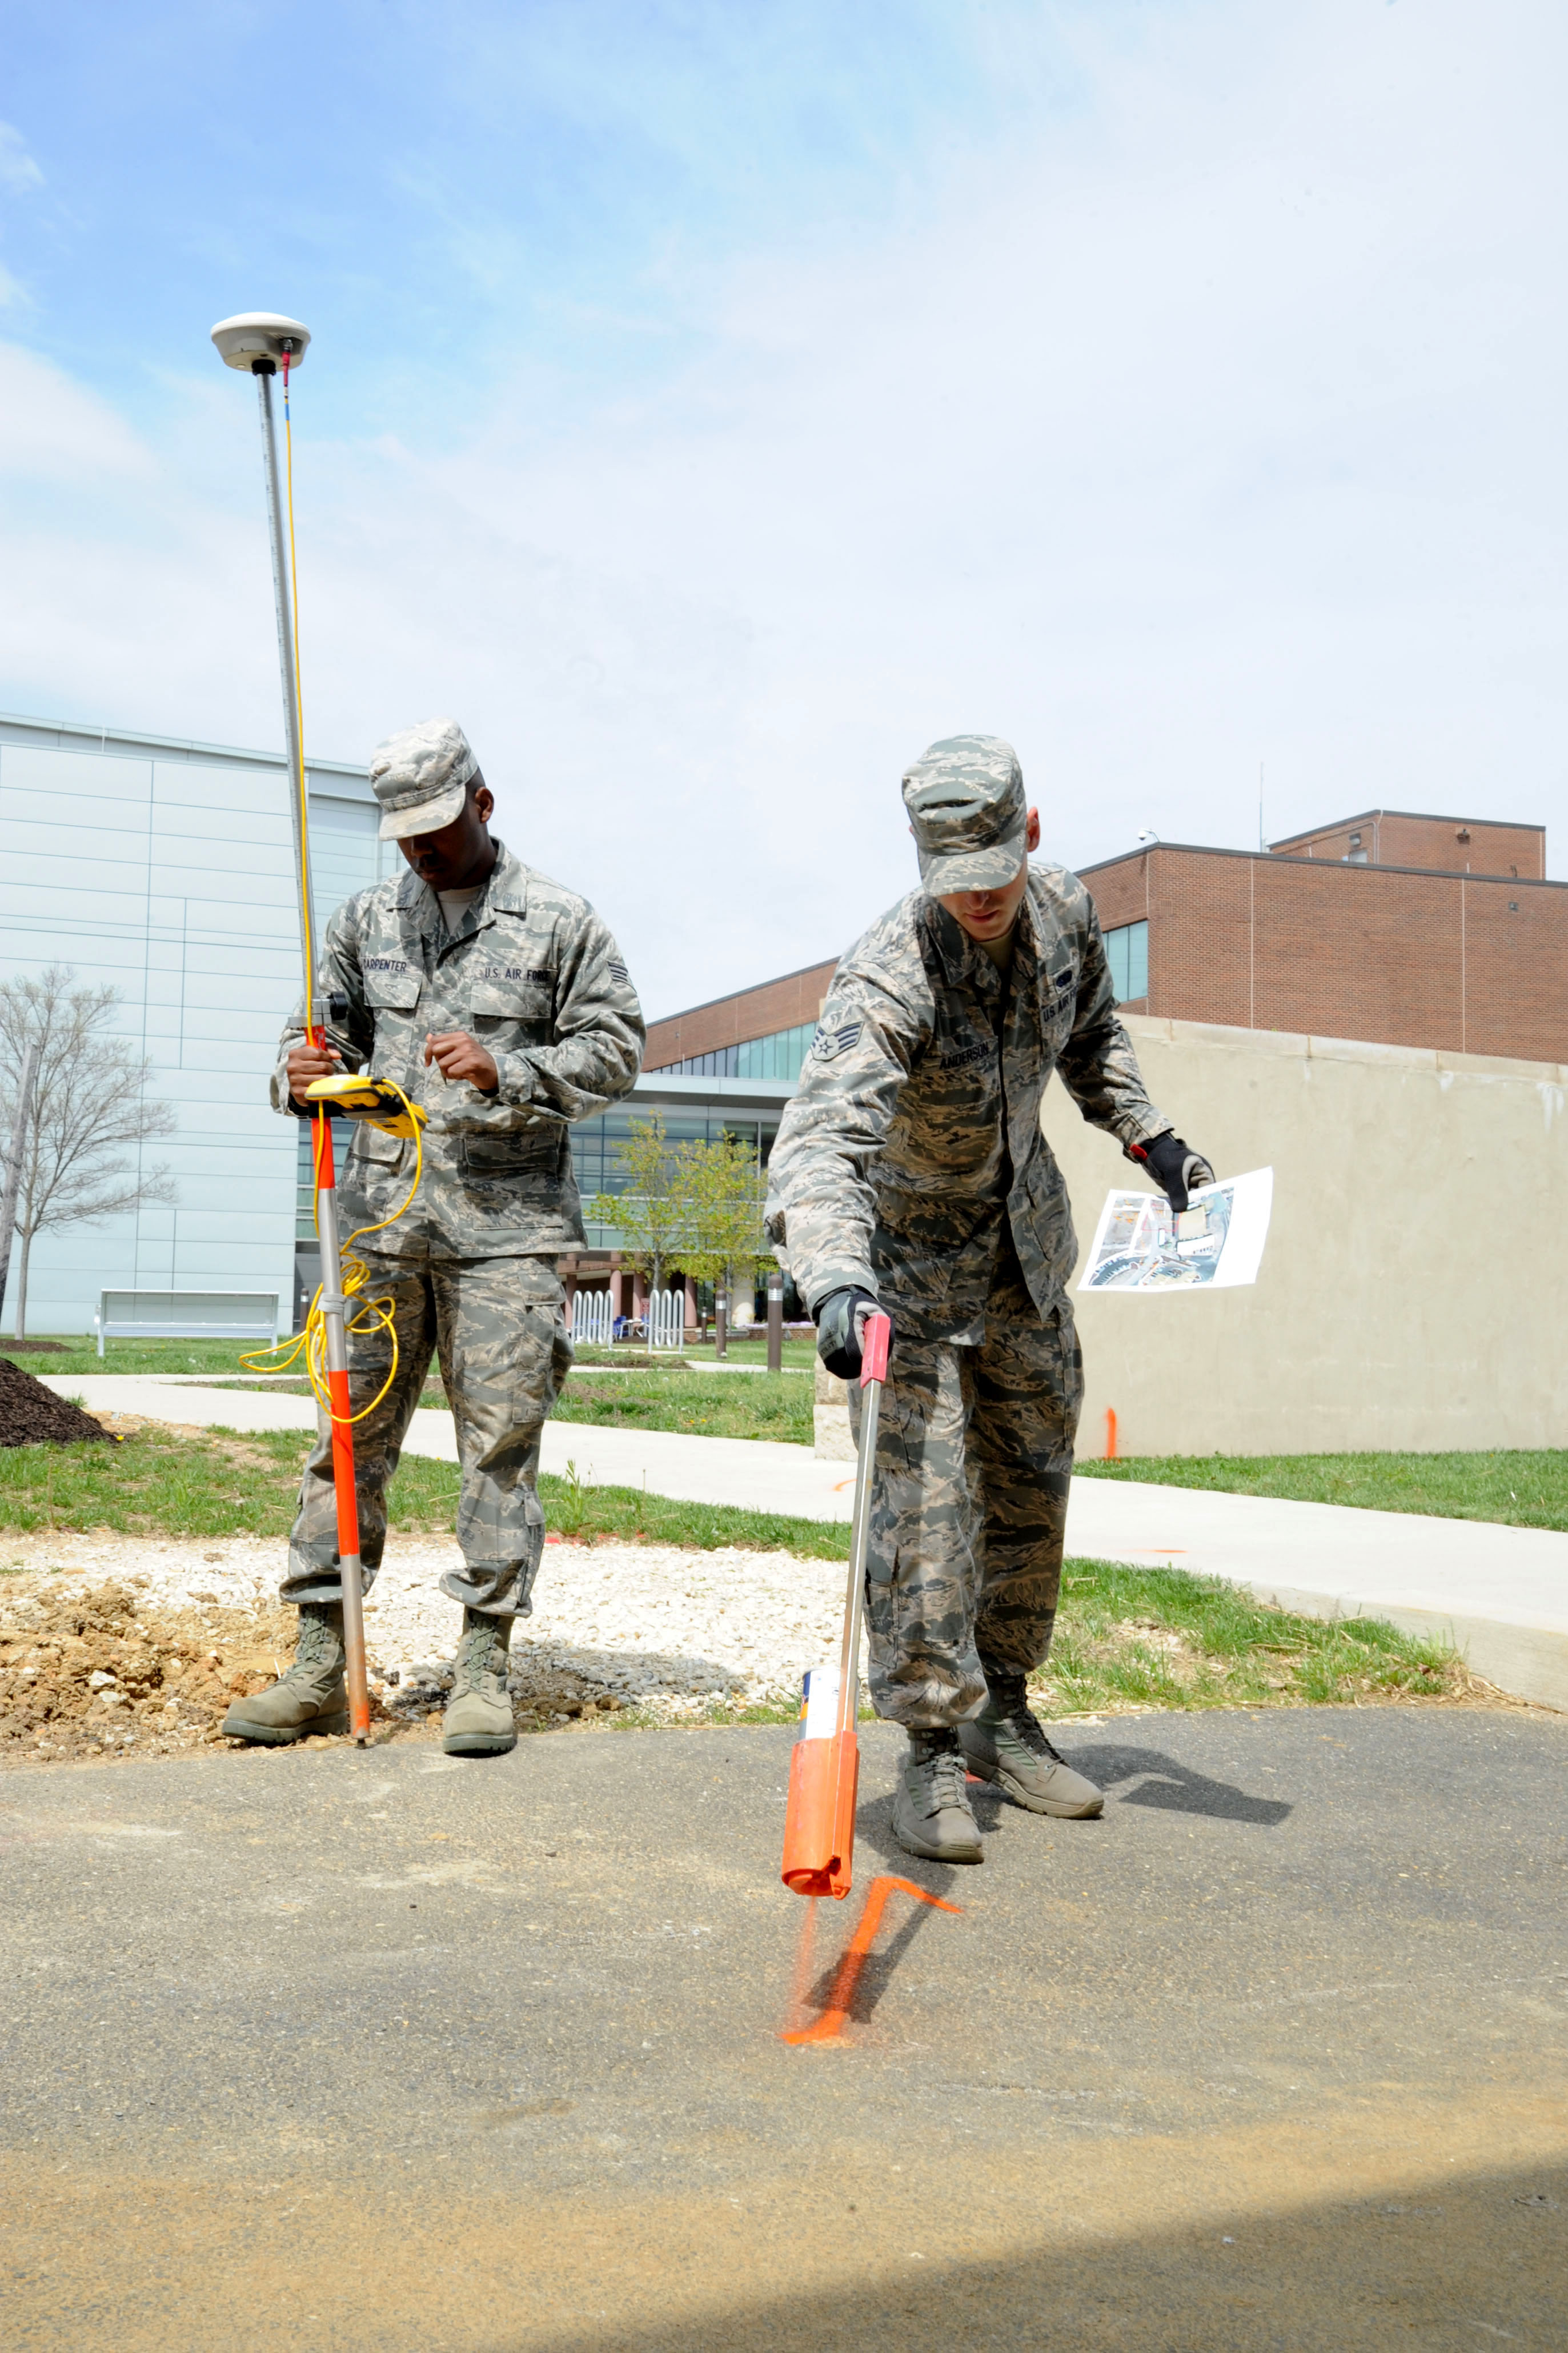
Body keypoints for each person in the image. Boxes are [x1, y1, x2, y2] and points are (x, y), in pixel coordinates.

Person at [765, 735, 1213, 1863]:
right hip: (905, 1285)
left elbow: (1092, 1032)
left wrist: (1144, 1132)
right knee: (922, 1525)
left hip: (1024, 1263)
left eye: (991, 876)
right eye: (951, 881)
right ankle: (924, 1751)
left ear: (1031, 835)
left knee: (1027, 1492)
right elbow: (819, 1142)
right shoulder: (890, 973)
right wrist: (831, 1281)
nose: (974, 900)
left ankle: (1000, 1715)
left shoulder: (1062, 910)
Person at [224, 718, 644, 1758]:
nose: (420, 850)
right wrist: (299, 1074)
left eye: (438, 829)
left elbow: (618, 1047)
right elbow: (312, 1035)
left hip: (507, 1234)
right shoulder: (365, 918)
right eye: (403, 834)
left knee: (497, 1449)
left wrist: (514, 1071)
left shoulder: (558, 920)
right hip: (379, 1225)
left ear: (483, 805)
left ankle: (485, 1662)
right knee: (344, 1441)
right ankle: (324, 1657)